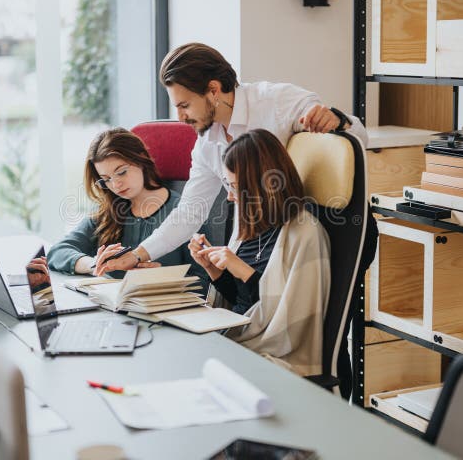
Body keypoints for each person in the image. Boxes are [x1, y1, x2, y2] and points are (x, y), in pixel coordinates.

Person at [96, 41, 375, 276]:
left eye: (184, 105)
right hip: (264, 247)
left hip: (323, 236)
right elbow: (190, 212)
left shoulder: (277, 102)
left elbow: (357, 142)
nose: (180, 118)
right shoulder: (207, 142)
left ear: (214, 90)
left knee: (323, 337)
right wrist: (137, 255)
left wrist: (338, 120)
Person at [189, 129, 330, 375]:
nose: (230, 197)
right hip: (235, 339)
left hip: (272, 353)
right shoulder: (249, 223)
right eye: (227, 185)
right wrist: (215, 271)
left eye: (236, 187)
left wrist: (240, 269)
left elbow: (290, 327)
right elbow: (243, 302)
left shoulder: (305, 233)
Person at [48, 128, 206, 287]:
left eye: (122, 172)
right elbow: (58, 251)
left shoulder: (187, 211)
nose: (115, 185)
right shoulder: (109, 210)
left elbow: (206, 282)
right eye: (106, 179)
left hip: (164, 309)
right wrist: (96, 264)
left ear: (141, 158)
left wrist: (162, 279)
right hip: (111, 307)